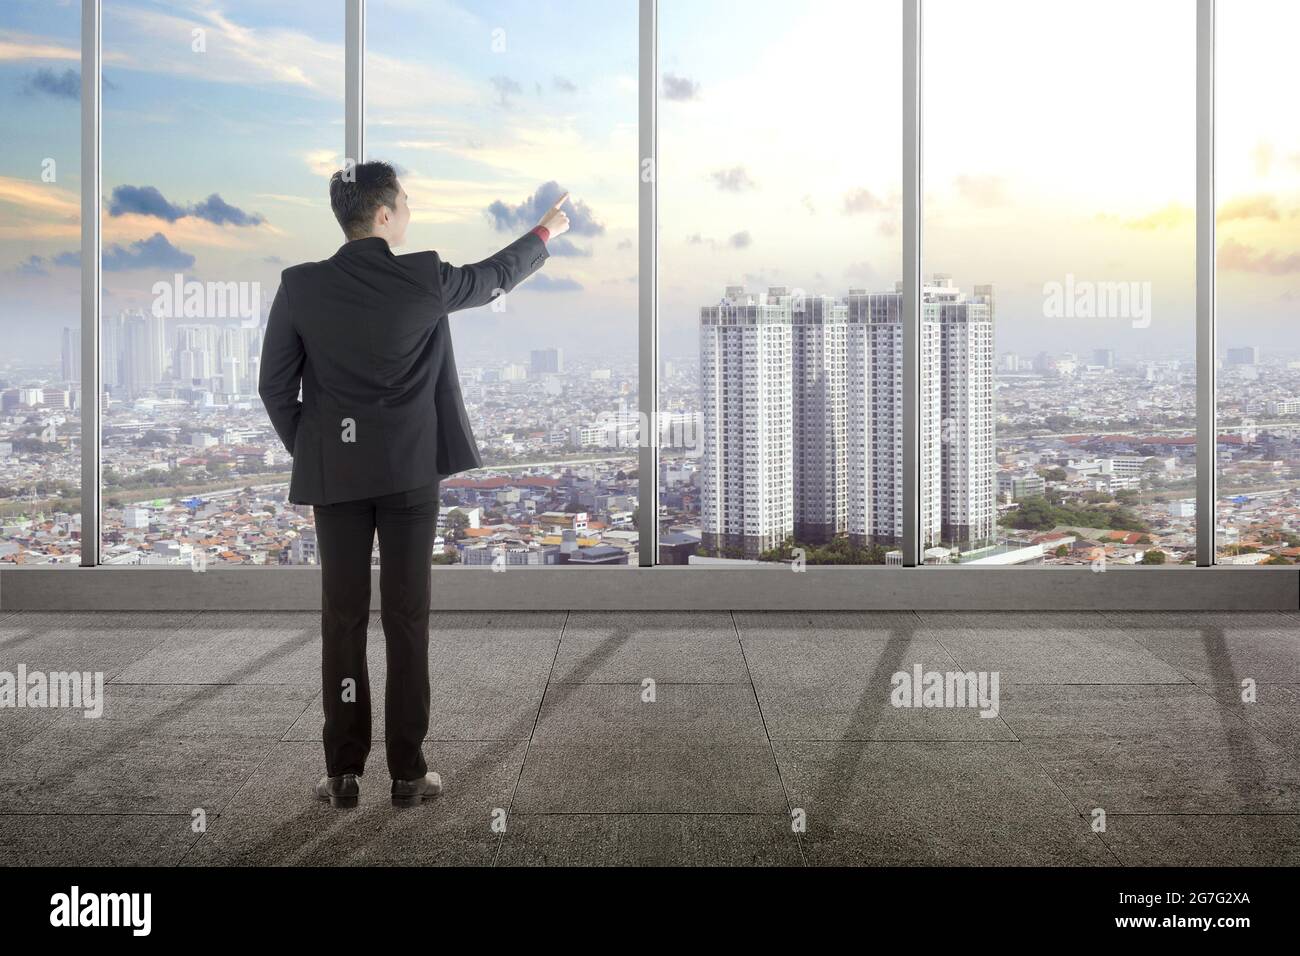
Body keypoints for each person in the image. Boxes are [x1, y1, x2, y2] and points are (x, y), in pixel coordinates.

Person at [257, 161, 570, 808]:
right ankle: (407, 774)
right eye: (404, 203)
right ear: (382, 215)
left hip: (335, 481)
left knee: (341, 621)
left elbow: (274, 387)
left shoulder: (299, 286)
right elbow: (492, 279)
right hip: (408, 477)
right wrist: (545, 232)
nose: (410, 211)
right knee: (406, 621)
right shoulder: (422, 276)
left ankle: (342, 773)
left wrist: (317, 453)